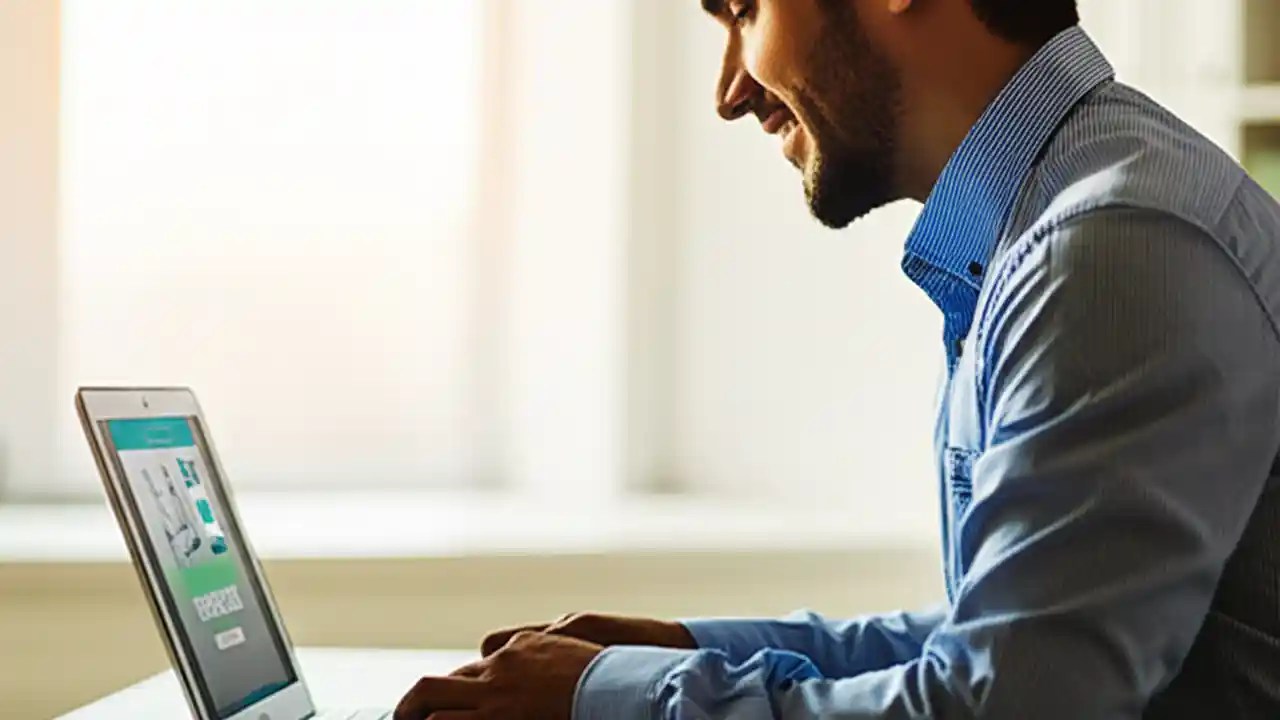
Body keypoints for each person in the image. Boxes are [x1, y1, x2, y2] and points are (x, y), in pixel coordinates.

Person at [394, 0, 1280, 717]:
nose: (730, 91)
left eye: (743, 11)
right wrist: (686, 652)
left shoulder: (1109, 252)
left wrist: (618, 701)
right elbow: (1009, 643)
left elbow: (1012, 702)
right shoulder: (1068, 224)